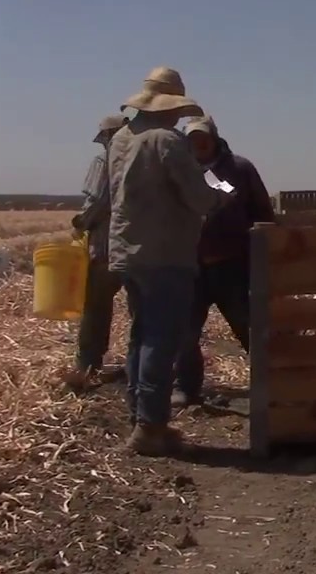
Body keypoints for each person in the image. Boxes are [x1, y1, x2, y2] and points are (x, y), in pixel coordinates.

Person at [108, 66, 228, 456]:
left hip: (128, 250)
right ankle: (150, 427)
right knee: (162, 338)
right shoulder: (167, 141)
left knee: (141, 334)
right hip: (165, 253)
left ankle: (141, 415)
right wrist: (220, 196)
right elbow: (199, 198)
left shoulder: (123, 138)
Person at [173, 116, 275, 407]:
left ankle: (269, 387)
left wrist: (261, 253)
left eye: (203, 137)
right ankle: (187, 388)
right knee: (186, 331)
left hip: (232, 264)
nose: (198, 143)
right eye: (192, 138)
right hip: (190, 265)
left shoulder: (239, 168)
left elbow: (263, 213)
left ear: (215, 137)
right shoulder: (179, 170)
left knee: (250, 328)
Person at [69, 114, 128, 380]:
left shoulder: (104, 161)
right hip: (138, 248)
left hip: (106, 248)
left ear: (106, 137)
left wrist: (80, 224)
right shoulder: (141, 160)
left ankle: (89, 365)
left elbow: (96, 203)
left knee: (96, 307)